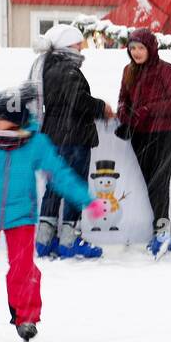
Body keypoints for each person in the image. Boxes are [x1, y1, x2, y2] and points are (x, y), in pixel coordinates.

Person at [0, 84, 107, 342]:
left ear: (15, 122)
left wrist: (86, 200)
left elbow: (60, 174)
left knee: (23, 268)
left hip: (21, 215)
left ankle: (25, 317)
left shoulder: (35, 144)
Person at [28, 24, 115, 259]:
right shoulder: (66, 69)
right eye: (78, 43)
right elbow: (78, 100)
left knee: (54, 186)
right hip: (73, 136)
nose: (81, 47)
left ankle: (44, 240)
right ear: (68, 45)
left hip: (55, 136)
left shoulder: (48, 66)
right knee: (75, 186)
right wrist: (102, 107)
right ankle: (68, 239)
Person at [115, 28, 171, 258]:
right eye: (132, 48)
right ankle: (164, 231)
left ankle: (163, 232)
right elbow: (122, 99)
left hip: (165, 133)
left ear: (151, 48)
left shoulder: (166, 70)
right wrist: (125, 113)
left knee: (159, 183)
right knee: (151, 184)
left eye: (140, 48)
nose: (136, 52)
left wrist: (147, 110)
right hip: (140, 135)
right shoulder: (128, 71)